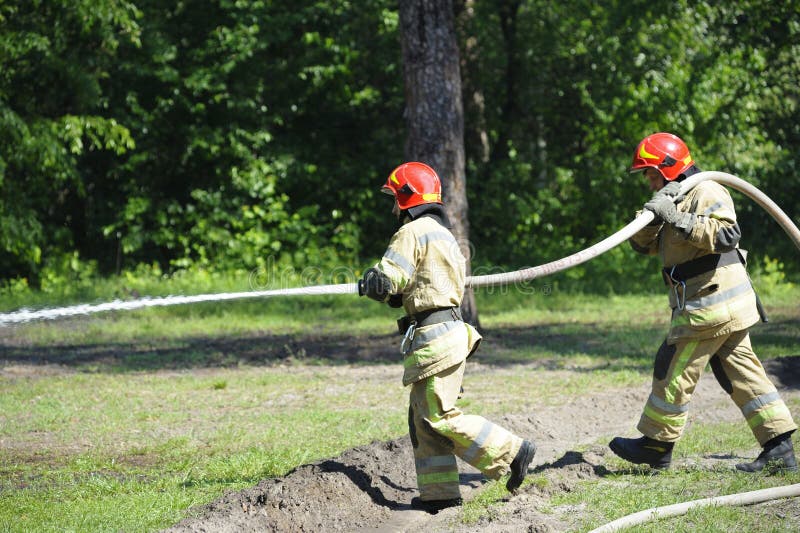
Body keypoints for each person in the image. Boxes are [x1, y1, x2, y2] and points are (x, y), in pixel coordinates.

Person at [609, 132, 797, 472]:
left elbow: (727, 236)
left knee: (673, 367)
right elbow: (642, 247)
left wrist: (678, 217)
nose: (649, 182)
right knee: (741, 373)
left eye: (652, 174)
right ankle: (779, 447)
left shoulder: (706, 190)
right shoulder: (674, 195)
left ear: (669, 167)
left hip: (710, 302)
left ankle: (656, 443)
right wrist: (653, 216)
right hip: (714, 304)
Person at [359, 161, 536, 513]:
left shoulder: (411, 232)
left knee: (438, 416)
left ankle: (512, 451)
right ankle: (439, 494)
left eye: (395, 198)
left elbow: (388, 280)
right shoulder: (444, 235)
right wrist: (395, 294)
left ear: (408, 198)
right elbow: (424, 284)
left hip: (434, 337)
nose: (394, 207)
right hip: (448, 332)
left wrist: (371, 281)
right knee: (423, 420)